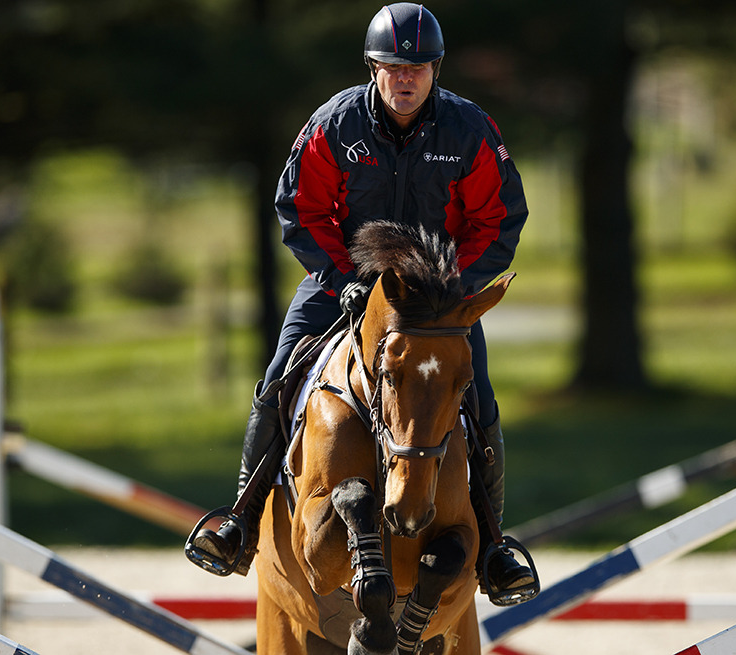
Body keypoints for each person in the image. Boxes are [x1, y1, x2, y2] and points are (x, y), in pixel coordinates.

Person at [187, 2, 537, 605]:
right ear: (373, 68)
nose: (406, 79)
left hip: (435, 302)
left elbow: (500, 218)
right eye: (394, 67)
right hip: (341, 284)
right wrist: (340, 276)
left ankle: (495, 548)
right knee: (280, 376)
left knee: (478, 396)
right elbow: (301, 208)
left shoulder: (470, 128)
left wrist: (451, 286)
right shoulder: (335, 123)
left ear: (436, 70)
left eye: (418, 69)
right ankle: (240, 520)